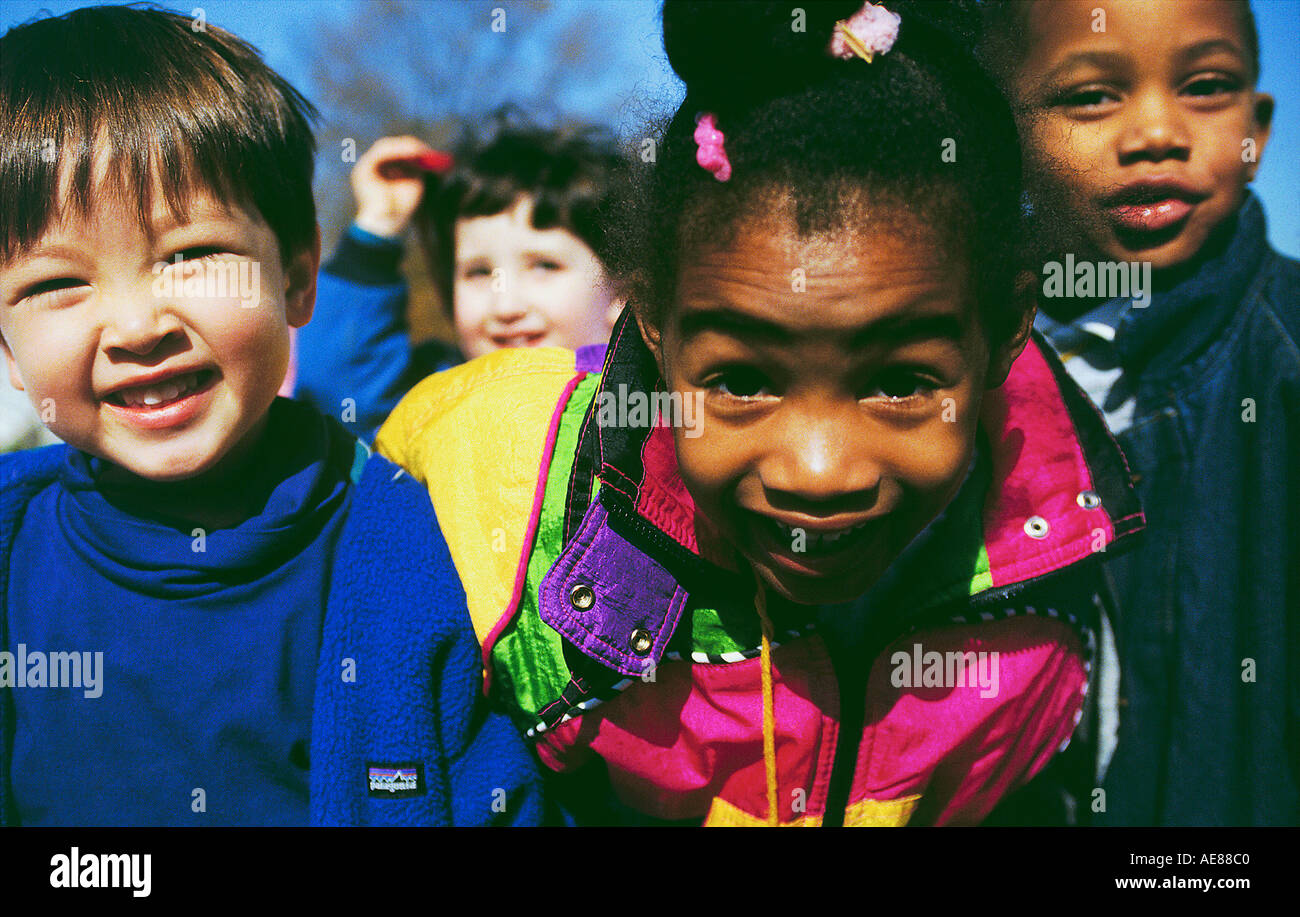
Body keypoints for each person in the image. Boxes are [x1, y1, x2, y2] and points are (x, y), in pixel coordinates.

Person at [374, 0, 1144, 826]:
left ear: (1006, 331)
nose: (817, 471)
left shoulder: (1057, 588)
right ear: (657, 330)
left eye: (900, 382)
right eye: (742, 379)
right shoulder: (507, 501)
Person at [0, 5, 542, 827]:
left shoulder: (416, 541)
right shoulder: (12, 558)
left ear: (294, 275)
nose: (141, 327)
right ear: (5, 346)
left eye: (190, 255)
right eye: (55, 284)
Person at [982, 0, 1299, 825]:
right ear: (994, 141)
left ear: (1256, 132)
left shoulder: (1286, 358)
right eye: (1090, 97)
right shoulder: (960, 369)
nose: (1156, 131)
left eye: (1206, 87)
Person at [295, 116, 628, 442]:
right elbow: (339, 388)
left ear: (623, 294)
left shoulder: (647, 415)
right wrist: (379, 227)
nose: (505, 305)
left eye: (544, 266)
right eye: (478, 272)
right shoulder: (432, 410)